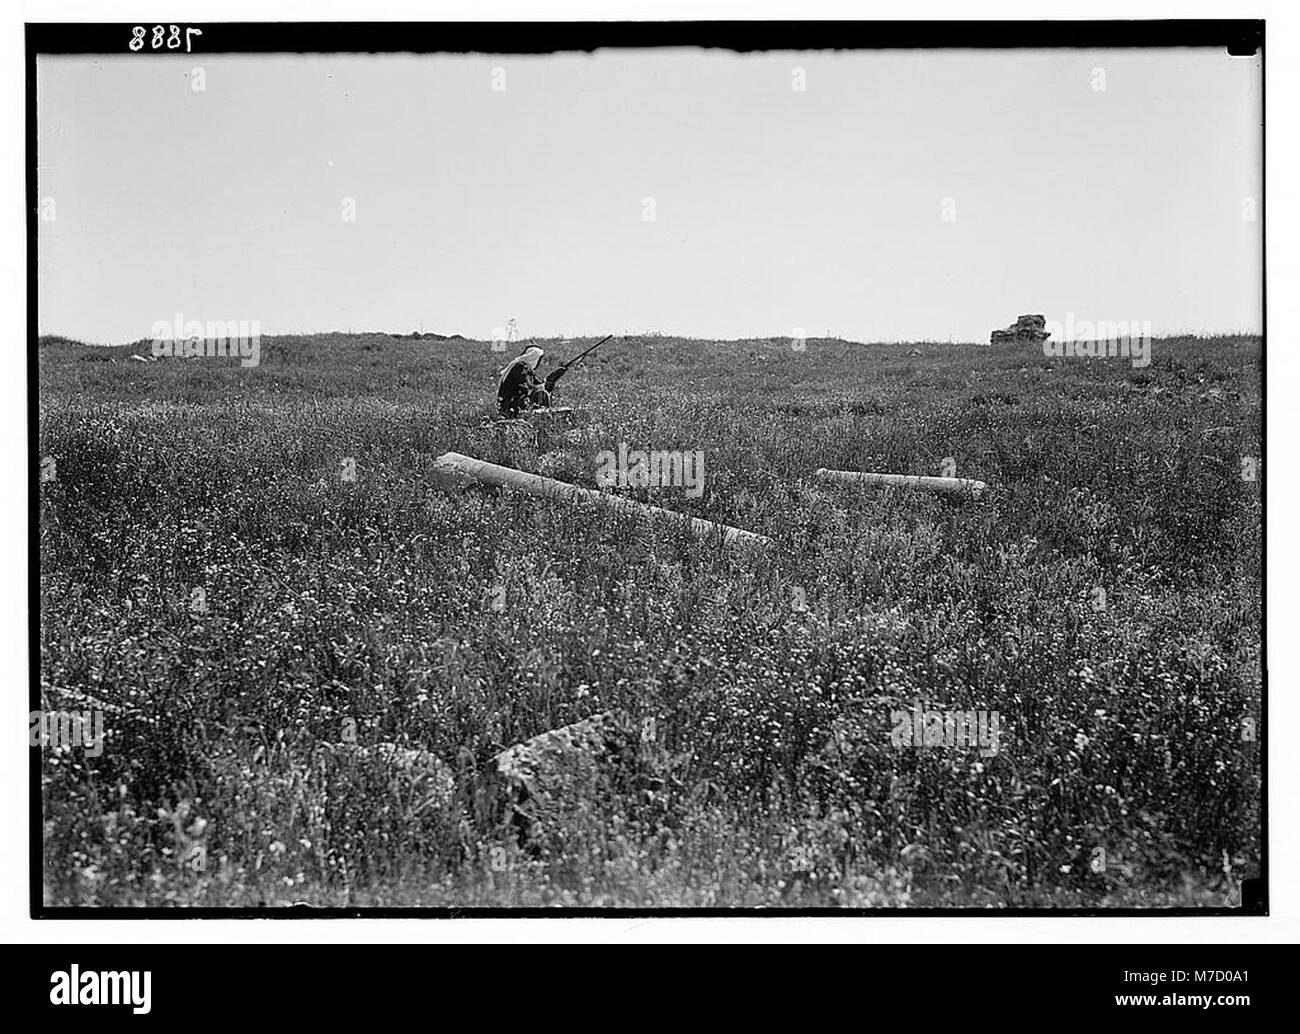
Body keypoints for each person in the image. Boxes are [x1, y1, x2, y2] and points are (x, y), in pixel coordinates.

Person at [497, 346, 552, 417]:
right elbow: (525, 386)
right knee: (541, 393)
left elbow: (537, 382)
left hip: (511, 403)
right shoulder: (521, 367)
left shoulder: (526, 367)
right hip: (510, 405)